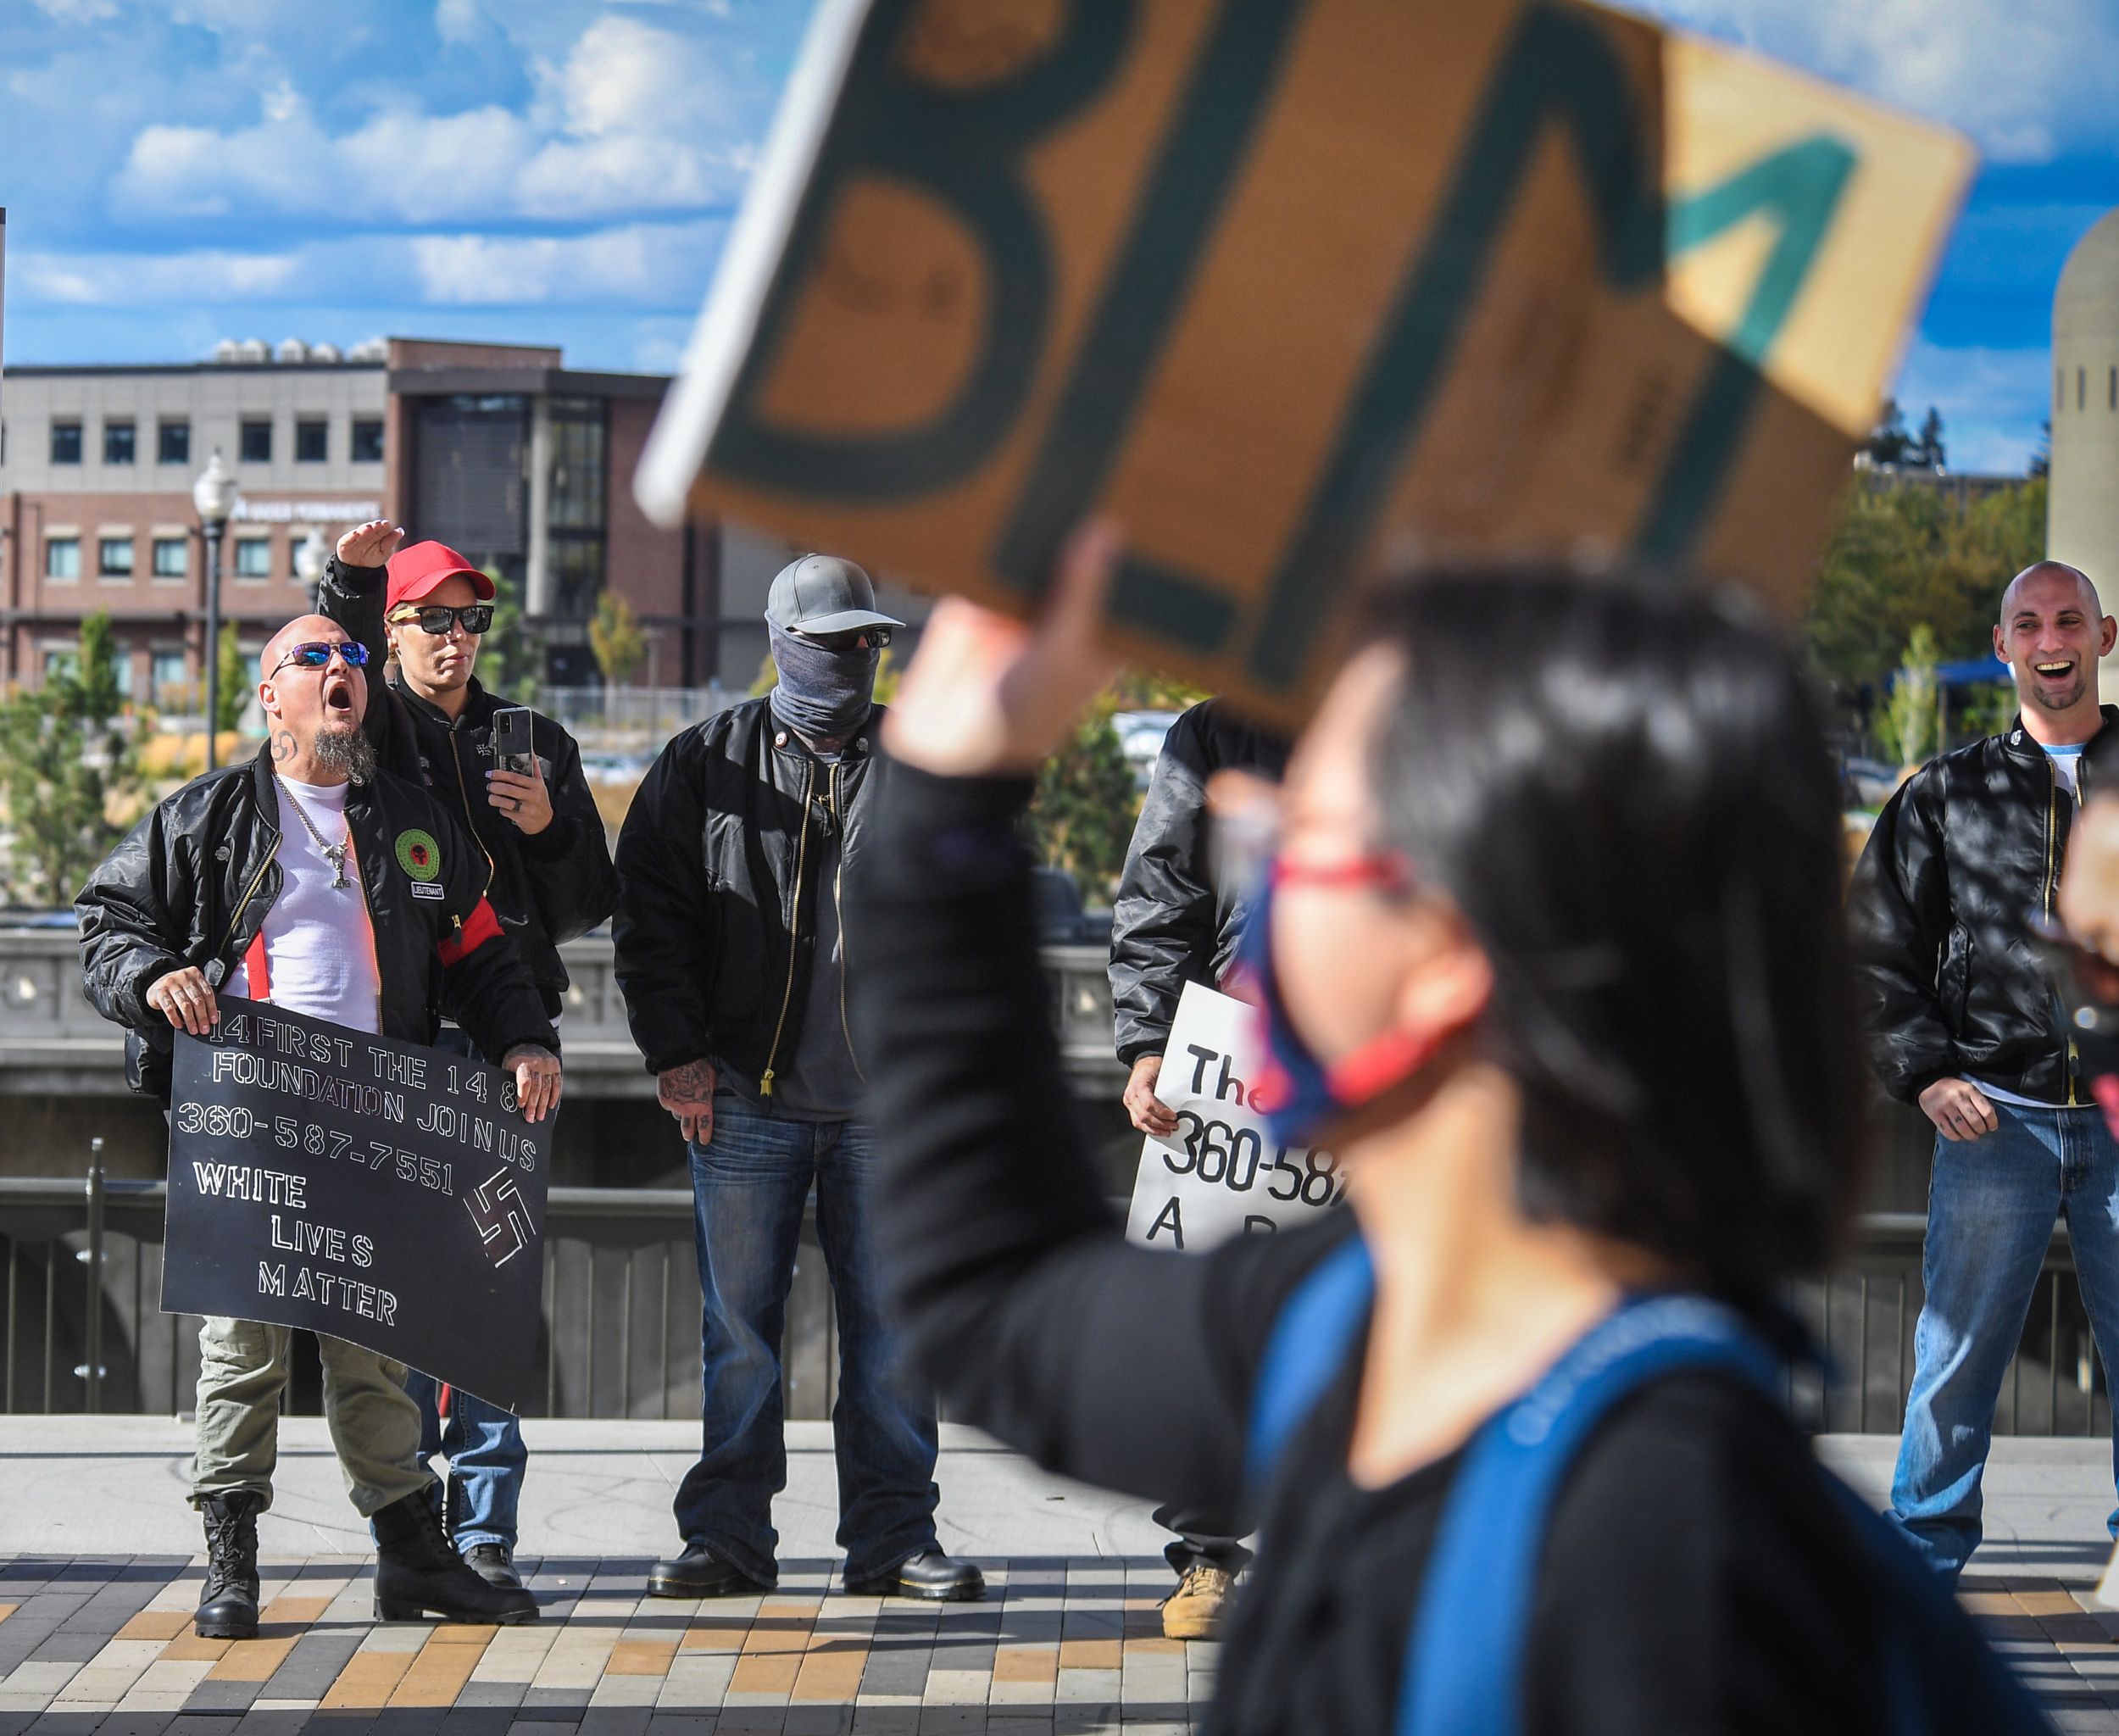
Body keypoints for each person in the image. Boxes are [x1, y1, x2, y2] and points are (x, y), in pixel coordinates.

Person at [846, 529, 2043, 1733]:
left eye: (1304, 830)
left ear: (1447, 963)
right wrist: (947, 801)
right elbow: (1002, 1309)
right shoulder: (1355, 1320)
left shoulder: (1688, 1586)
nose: (1254, 844)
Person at [76, 615, 561, 1638]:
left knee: (374, 1351)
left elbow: (479, 951)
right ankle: (231, 1556)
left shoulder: (413, 823)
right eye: (314, 659)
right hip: (247, 1118)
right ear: (270, 695)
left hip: (372, 1121)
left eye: (350, 658)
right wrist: (154, 976)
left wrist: (523, 1039)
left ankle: (411, 1559)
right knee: (242, 1351)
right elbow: (108, 921)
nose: (339, 671)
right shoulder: (206, 817)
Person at [613, 554, 981, 1603]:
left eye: (869, 642)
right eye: (833, 643)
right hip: (741, 1100)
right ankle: (726, 1539)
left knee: (898, 1336)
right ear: (781, 642)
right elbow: (651, 922)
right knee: (740, 1340)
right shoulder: (703, 765)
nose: (856, 660)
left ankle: (893, 1539)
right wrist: (676, 1056)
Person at [320, 520, 620, 1593]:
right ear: (394, 632)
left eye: (472, 620)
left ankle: (484, 1525)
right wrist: (349, 583)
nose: (457, 640)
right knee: (400, 1292)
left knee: (490, 1281)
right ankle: (415, 1529)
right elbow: (331, 666)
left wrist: (546, 828)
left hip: (508, 1043)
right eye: (432, 620)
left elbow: (590, 903)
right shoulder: (370, 732)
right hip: (399, 1039)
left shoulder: (532, 737)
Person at [1851, 559, 2119, 1583]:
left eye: (2067, 618)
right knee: (1955, 1357)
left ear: (2103, 634)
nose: (2049, 638)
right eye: (2027, 622)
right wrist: (1922, 1072)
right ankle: (1919, 1561)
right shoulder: (1943, 794)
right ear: (2004, 645)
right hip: (1993, 1119)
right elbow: (1874, 952)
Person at [1109, 698, 1289, 1637]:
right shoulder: (1214, 732)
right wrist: (1149, 1044)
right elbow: (1162, 889)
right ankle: (1208, 1556)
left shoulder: (1434, 701)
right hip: (1239, 1066)